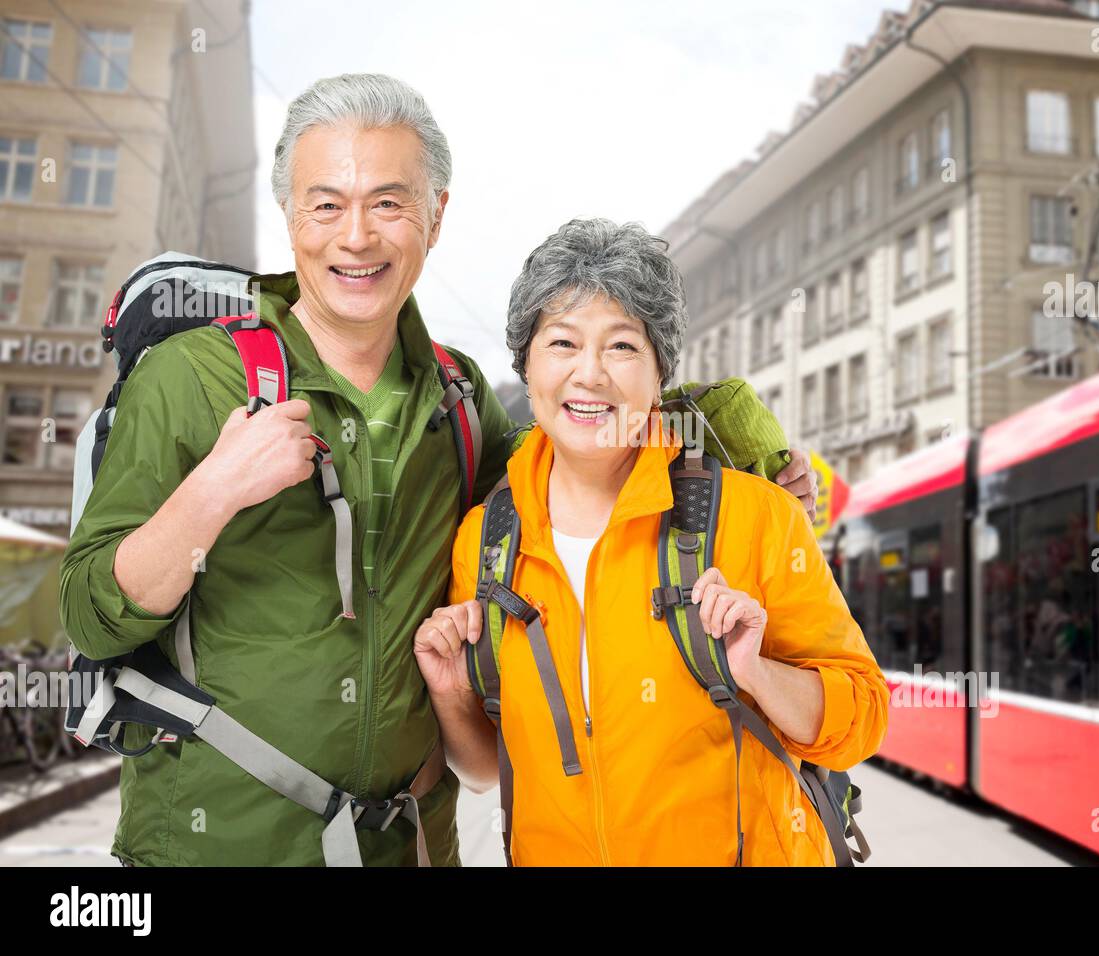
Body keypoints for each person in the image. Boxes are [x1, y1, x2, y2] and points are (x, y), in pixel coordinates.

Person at [58, 75, 818, 867]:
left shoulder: (459, 402)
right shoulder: (190, 379)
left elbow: (582, 465)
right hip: (214, 849)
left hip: (410, 845)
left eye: (388, 203)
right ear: (289, 218)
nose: (356, 237)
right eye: (326, 205)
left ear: (436, 216)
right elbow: (91, 615)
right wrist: (211, 494)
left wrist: (740, 452)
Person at [415, 219, 889, 866]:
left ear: (660, 373)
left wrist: (755, 671)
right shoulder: (487, 543)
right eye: (561, 343)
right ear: (526, 365)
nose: (590, 375)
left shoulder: (756, 518)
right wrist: (449, 690)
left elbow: (861, 719)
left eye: (621, 347)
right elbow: (488, 769)